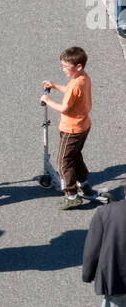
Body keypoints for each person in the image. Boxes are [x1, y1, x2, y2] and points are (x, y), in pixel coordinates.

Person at [41, 46, 97, 209]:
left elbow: (65, 107)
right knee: (75, 156)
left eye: (66, 66)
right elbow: (71, 92)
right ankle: (84, 183)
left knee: (64, 162)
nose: (63, 69)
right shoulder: (83, 78)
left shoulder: (75, 84)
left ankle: (71, 194)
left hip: (71, 129)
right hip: (83, 126)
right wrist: (55, 86)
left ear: (78, 66)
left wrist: (48, 101)